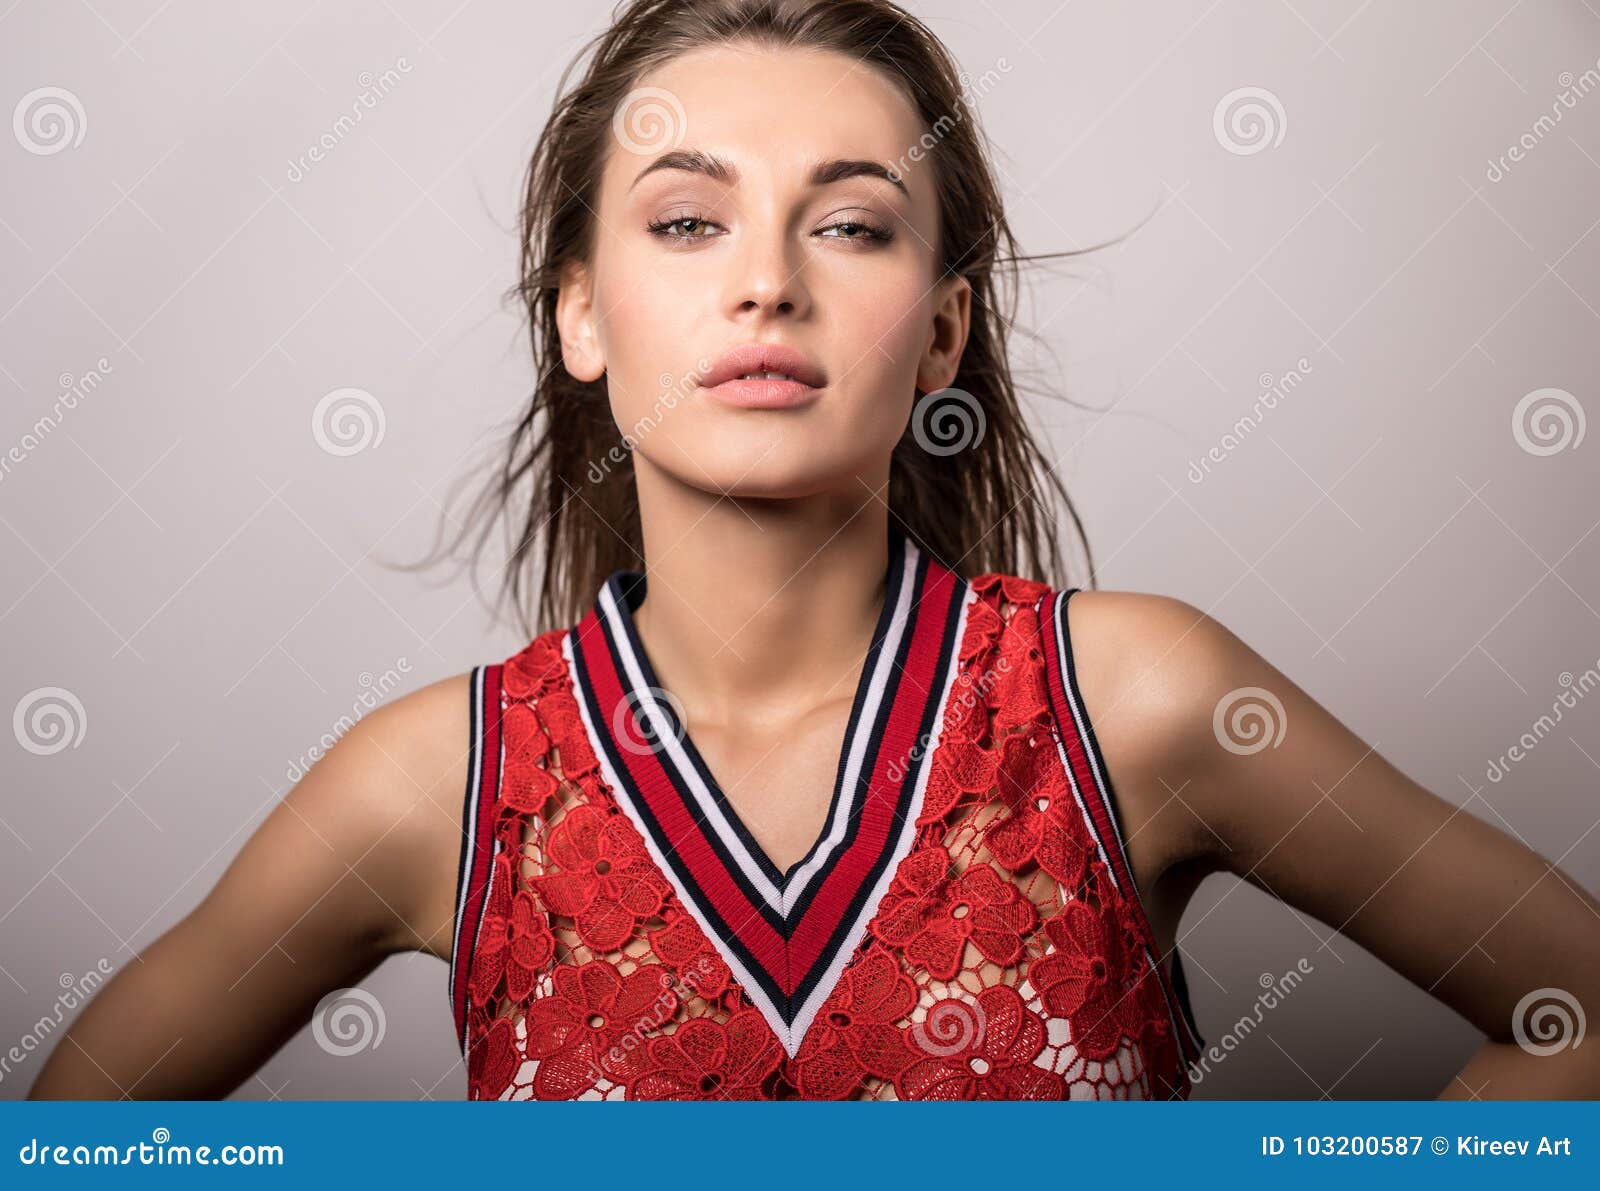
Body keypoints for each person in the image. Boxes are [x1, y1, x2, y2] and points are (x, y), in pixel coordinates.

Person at [30, 0, 1600, 1101]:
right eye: (686, 223)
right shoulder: (436, 782)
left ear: (943, 335)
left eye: (850, 224)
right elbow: (76, 1138)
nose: (767, 282)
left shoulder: (1138, 701)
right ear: (580, 314)